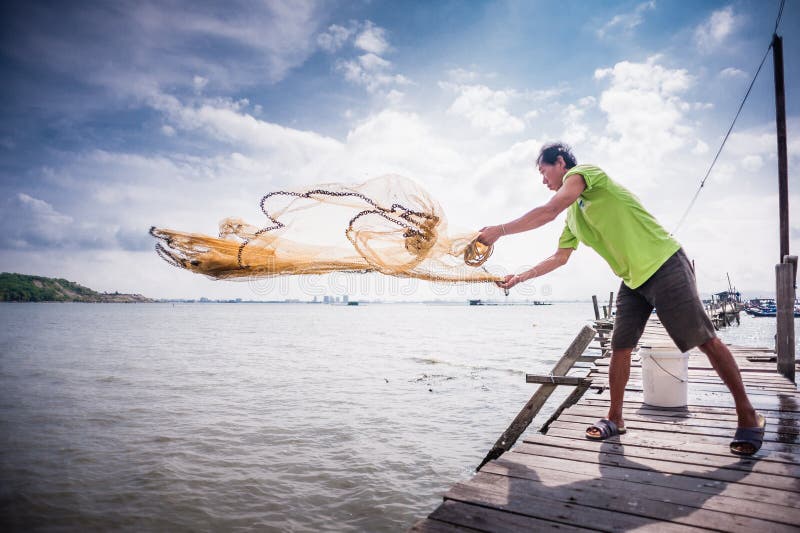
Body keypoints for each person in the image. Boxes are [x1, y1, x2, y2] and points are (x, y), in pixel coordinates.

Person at [477, 142, 765, 456]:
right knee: (620, 346)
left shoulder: (586, 173)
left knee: (704, 339)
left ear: (560, 163)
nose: (543, 180)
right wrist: (520, 278)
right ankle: (615, 417)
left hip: (664, 263)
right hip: (632, 280)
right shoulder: (572, 216)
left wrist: (499, 230)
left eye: (543, 171)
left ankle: (748, 415)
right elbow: (560, 257)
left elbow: (548, 210)